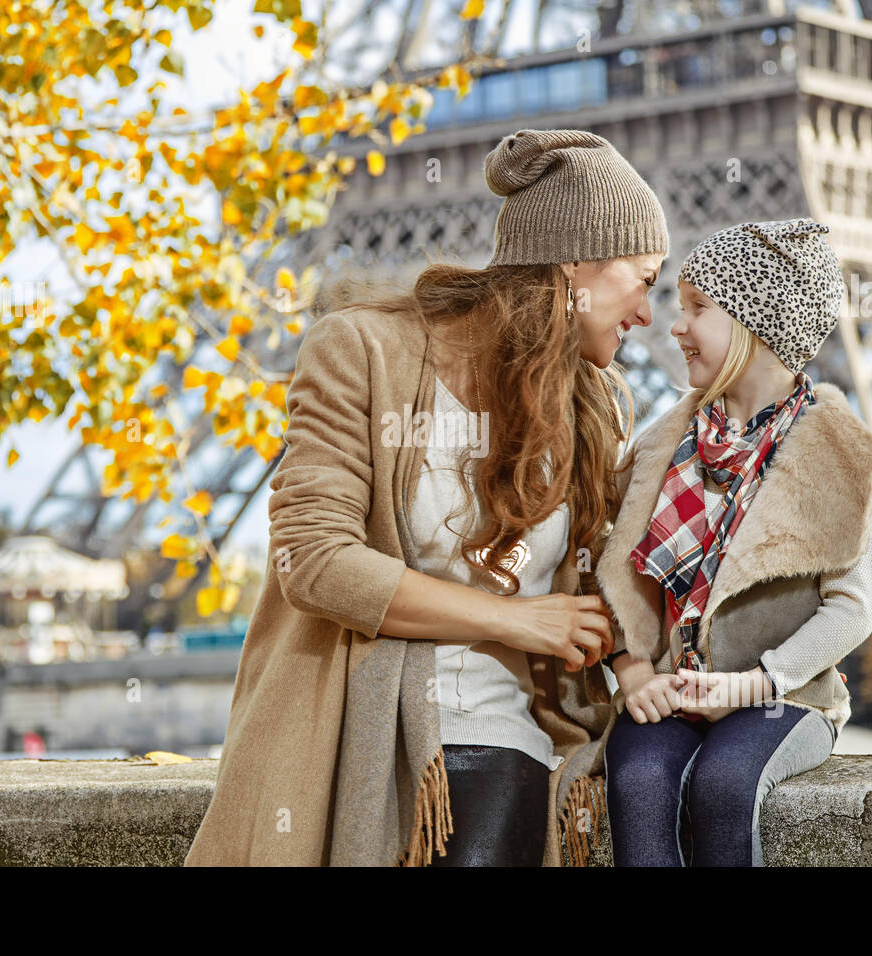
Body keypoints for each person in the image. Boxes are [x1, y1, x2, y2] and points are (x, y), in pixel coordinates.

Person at [185, 128, 669, 866]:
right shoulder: (361, 351)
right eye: (646, 278)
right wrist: (517, 621)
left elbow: (611, 578)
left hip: (507, 738)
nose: (648, 314)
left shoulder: (595, 404)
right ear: (577, 262)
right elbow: (316, 561)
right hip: (358, 723)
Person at [594, 218, 872, 866]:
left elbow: (851, 606)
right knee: (637, 781)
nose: (676, 326)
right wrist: (633, 669)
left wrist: (754, 684)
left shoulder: (837, 452)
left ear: (756, 324)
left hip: (782, 697)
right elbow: (610, 572)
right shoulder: (658, 448)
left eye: (698, 308)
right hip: (674, 692)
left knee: (726, 786)